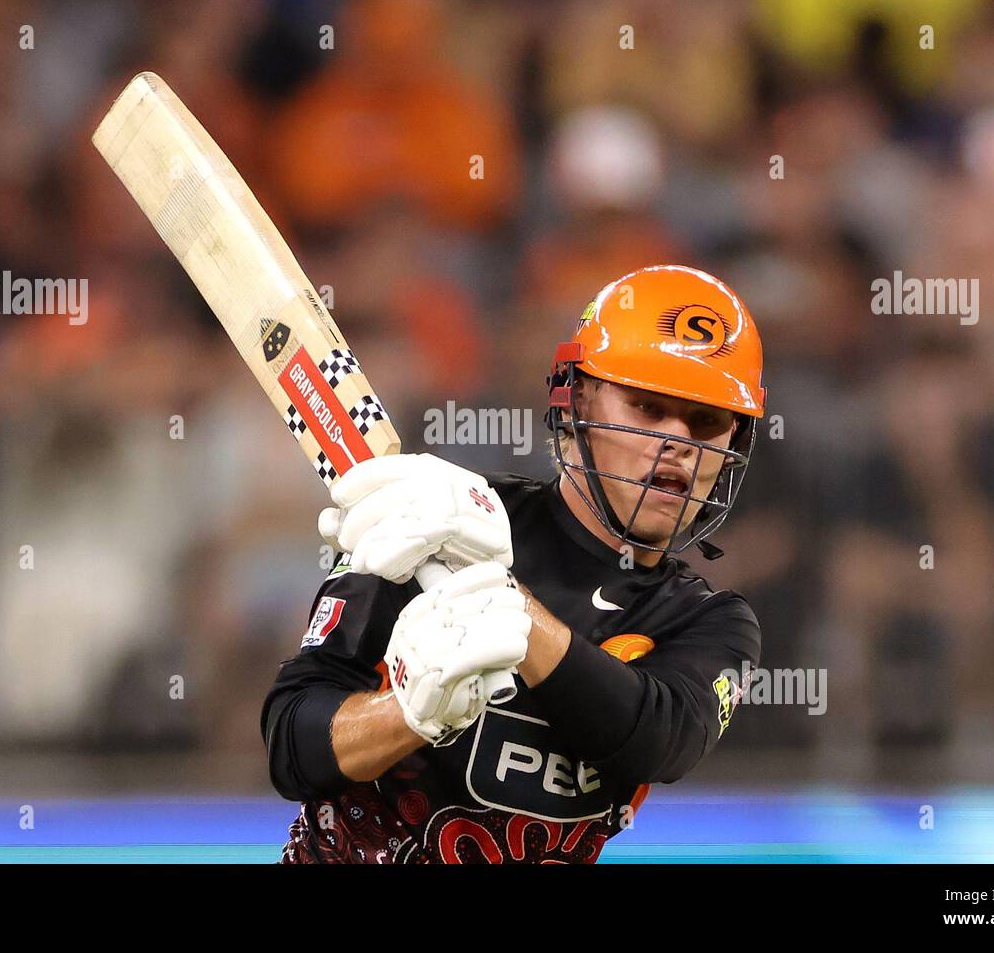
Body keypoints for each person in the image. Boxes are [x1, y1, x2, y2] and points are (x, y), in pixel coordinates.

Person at [262, 265, 766, 863]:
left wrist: (510, 612)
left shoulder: (711, 622)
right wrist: (409, 715)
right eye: (649, 407)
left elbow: (657, 742)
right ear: (577, 401)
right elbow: (291, 744)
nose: (679, 440)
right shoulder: (440, 518)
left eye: (706, 420)